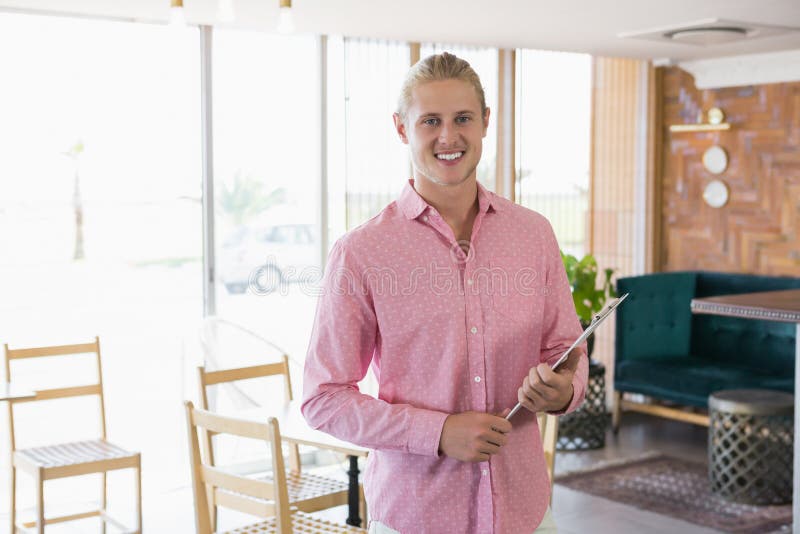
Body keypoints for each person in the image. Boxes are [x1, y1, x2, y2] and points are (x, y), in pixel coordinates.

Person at [302, 52, 588, 534]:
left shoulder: (534, 234)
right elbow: (323, 398)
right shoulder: (361, 252)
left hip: (526, 513)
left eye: (462, 119)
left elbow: (565, 350)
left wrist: (564, 392)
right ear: (401, 128)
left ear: (485, 123)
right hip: (416, 515)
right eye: (430, 121)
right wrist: (436, 433)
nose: (448, 137)